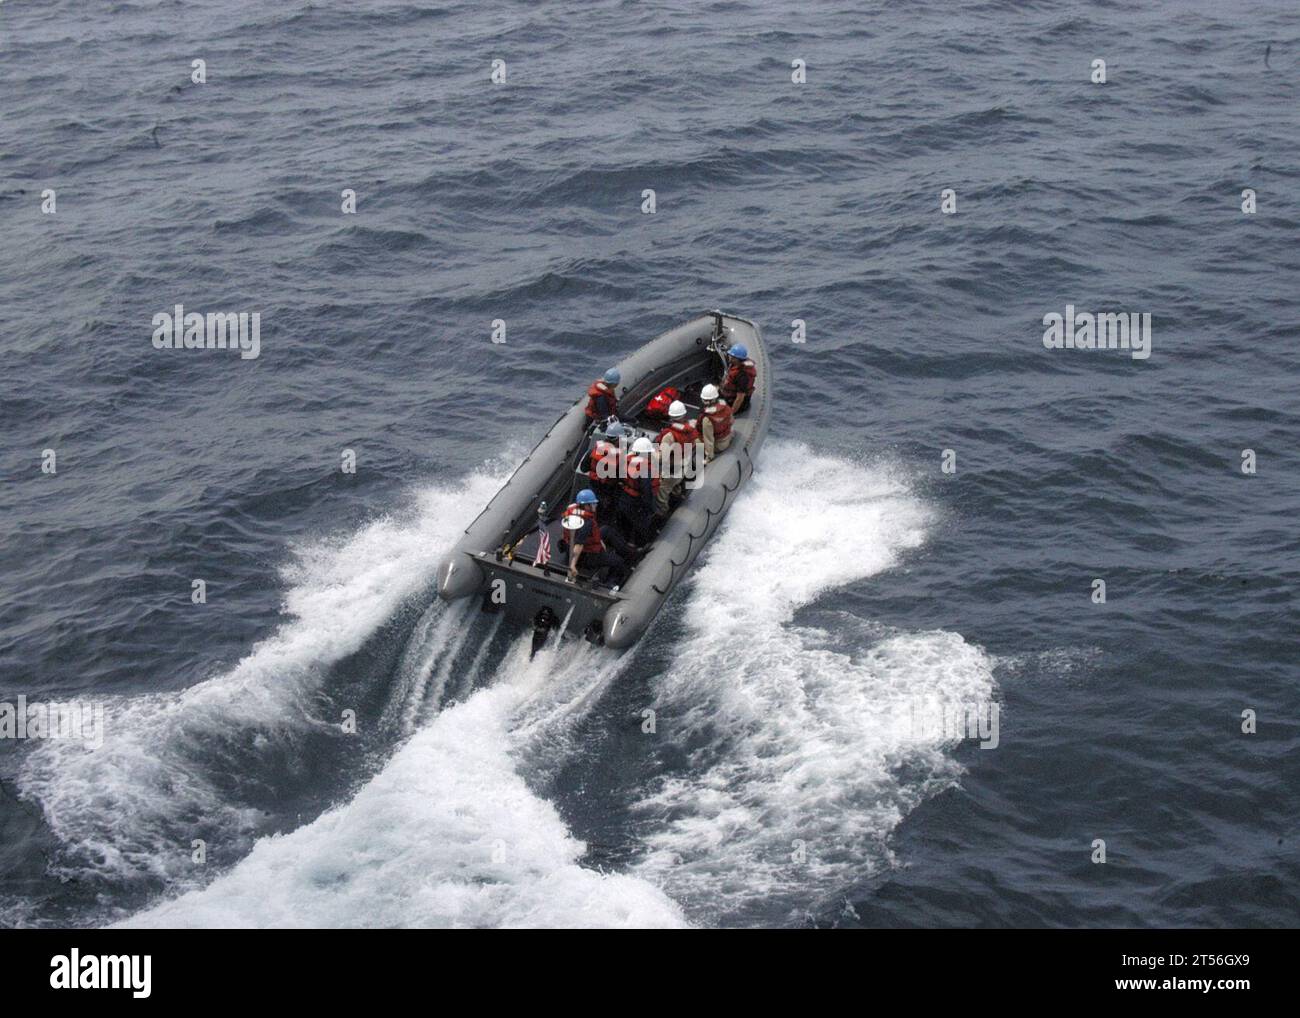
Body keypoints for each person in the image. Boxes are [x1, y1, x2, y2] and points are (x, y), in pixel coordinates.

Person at [564, 490, 628, 587]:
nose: (596, 505)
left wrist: (600, 540)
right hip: (586, 556)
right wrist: (572, 564)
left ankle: (626, 551)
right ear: (585, 505)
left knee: (606, 530)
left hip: (573, 547)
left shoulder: (573, 510)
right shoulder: (587, 523)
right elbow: (579, 544)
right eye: (593, 504)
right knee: (618, 562)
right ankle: (610, 582)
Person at [654, 400, 700, 515]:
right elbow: (694, 445)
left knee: (662, 490)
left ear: (670, 416)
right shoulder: (690, 429)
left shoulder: (669, 436)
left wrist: (650, 454)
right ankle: (678, 496)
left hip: (671, 469)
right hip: (684, 464)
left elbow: (662, 458)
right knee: (676, 483)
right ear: (684, 414)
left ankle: (662, 512)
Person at [618, 436, 659, 544]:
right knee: (642, 522)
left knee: (626, 523)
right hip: (635, 499)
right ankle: (642, 543)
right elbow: (646, 490)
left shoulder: (627, 460)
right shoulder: (645, 468)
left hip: (623, 495)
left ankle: (625, 541)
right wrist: (649, 507)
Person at [697, 383, 734, 463]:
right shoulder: (726, 407)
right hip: (728, 438)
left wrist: (709, 457)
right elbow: (731, 421)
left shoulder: (707, 419)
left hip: (718, 446)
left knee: (693, 439)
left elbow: (708, 439)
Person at [719, 344, 756, 414]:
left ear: (737, 359)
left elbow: (740, 398)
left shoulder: (742, 376)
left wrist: (731, 413)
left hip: (733, 401)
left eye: (732, 357)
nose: (729, 357)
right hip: (728, 394)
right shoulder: (735, 365)